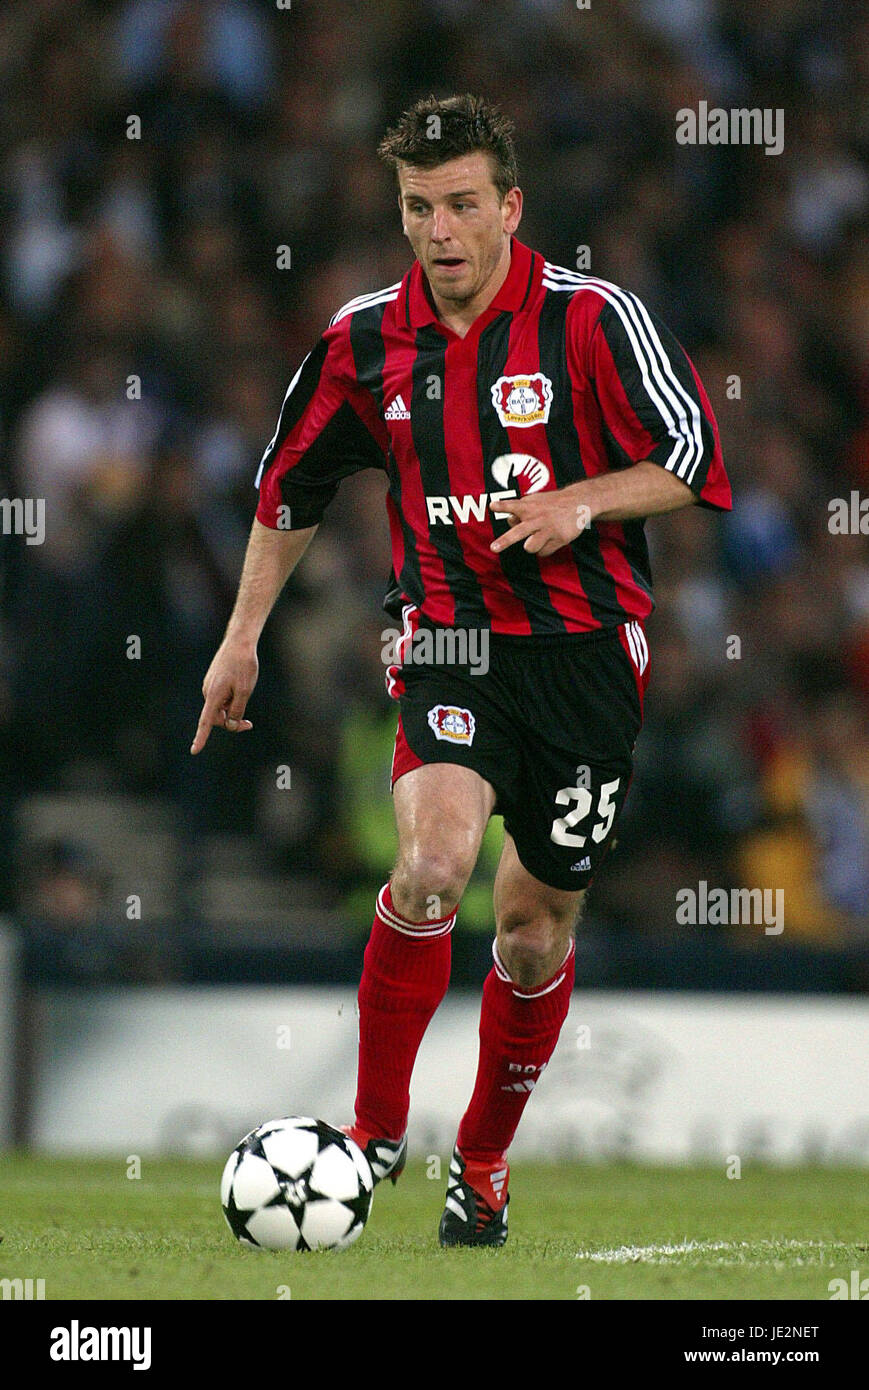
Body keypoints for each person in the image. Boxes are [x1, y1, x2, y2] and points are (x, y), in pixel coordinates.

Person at [191, 94, 731, 1246]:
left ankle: (479, 1160)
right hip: (447, 637)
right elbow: (290, 488)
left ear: (510, 206)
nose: (438, 230)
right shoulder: (363, 338)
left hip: (586, 660)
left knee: (532, 932)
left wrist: (583, 499)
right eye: (417, 207)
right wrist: (238, 637)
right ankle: (372, 1134)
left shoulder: (591, 319)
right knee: (432, 863)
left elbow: (688, 456)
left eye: (461, 204)